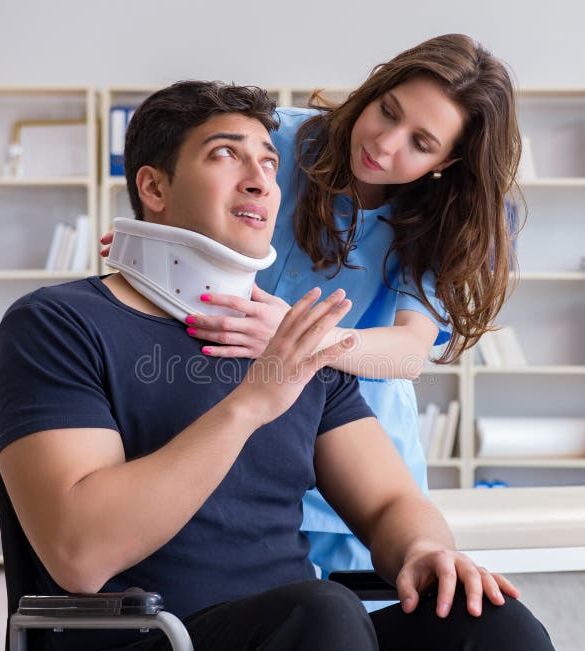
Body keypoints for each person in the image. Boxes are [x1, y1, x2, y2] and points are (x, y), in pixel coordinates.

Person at [0, 80, 579, 651]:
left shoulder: (299, 343)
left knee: (490, 625)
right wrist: (252, 403)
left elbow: (387, 502)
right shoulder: (57, 325)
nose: (261, 181)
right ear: (154, 189)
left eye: (270, 163)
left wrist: (427, 551)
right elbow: (80, 554)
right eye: (225, 155)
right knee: (321, 615)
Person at [101, 34, 523, 581]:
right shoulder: (276, 141)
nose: (384, 144)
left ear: (451, 160)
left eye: (420, 143)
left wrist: (298, 339)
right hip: (220, 428)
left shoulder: (448, 218)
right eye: (386, 111)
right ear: (374, 88)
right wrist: (153, 244)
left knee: (369, 637)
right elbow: (185, 197)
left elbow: (408, 353)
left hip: (352, 451)